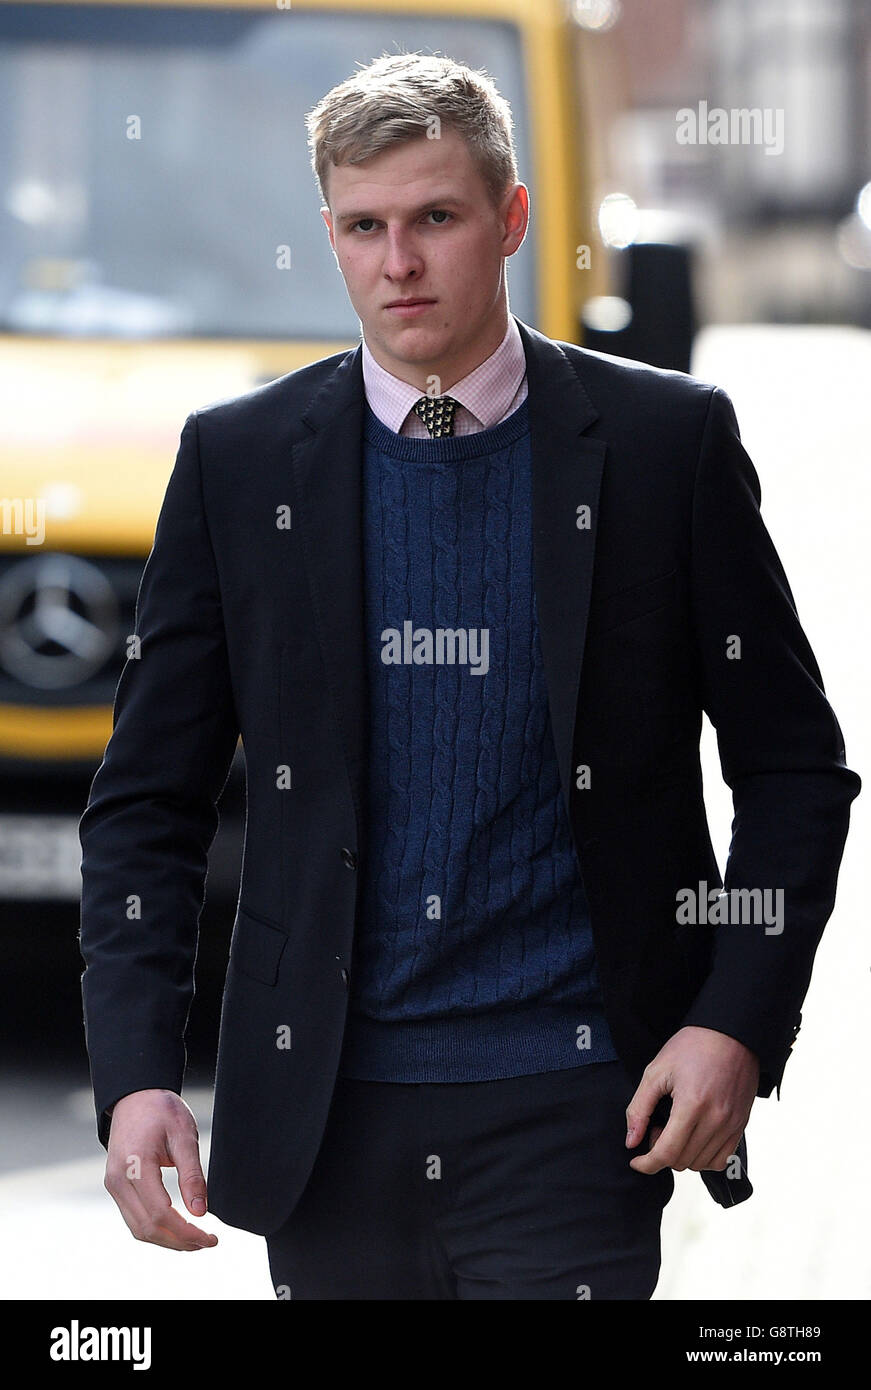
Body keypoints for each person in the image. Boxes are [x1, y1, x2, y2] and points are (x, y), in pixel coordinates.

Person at [78, 52, 860, 1300]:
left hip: (577, 1100)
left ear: (509, 220)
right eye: (363, 227)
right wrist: (133, 1076)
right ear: (328, 234)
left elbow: (794, 771)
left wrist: (734, 1026)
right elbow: (147, 803)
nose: (399, 263)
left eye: (435, 218)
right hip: (326, 1106)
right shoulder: (238, 463)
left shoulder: (666, 446)